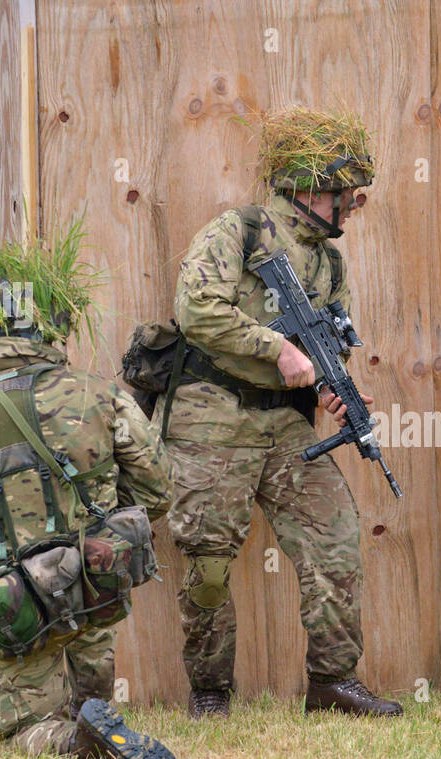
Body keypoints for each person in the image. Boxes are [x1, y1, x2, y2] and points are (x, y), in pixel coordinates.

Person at [160, 106, 401, 719]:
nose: (353, 205)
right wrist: (278, 347)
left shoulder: (329, 262)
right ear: (309, 188)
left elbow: (326, 348)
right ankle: (210, 693)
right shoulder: (238, 232)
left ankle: (332, 684)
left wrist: (334, 392)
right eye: (345, 193)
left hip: (285, 424)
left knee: (335, 537)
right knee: (209, 561)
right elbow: (197, 312)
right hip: (211, 415)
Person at [0, 237, 180, 759]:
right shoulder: (100, 393)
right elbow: (157, 488)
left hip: (13, 608)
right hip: (94, 588)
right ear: (53, 327)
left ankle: (70, 739)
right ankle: (93, 715)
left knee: (23, 732)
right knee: (89, 694)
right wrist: (97, 522)